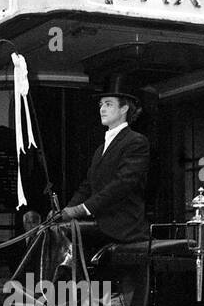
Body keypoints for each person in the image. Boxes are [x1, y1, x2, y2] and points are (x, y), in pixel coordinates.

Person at [60, 79, 150, 248]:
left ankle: (44, 276)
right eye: (101, 104)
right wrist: (66, 210)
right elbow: (87, 186)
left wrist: (82, 209)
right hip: (101, 223)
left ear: (124, 108)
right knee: (50, 230)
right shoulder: (101, 148)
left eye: (108, 104)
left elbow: (122, 184)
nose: (102, 109)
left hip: (123, 228)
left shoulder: (136, 141)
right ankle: (33, 276)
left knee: (60, 236)